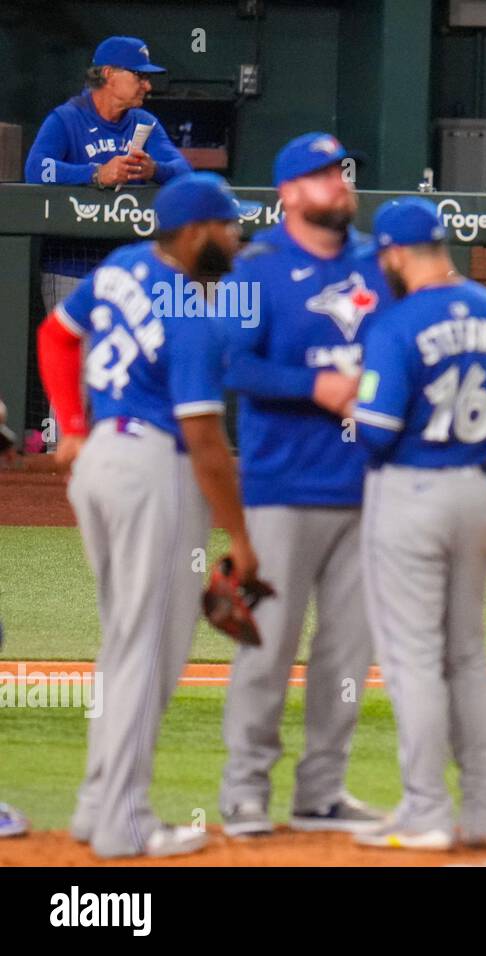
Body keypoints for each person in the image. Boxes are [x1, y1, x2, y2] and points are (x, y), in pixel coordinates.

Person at [36, 172, 259, 858]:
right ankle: (123, 822)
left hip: (102, 462)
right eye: (228, 226)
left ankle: (97, 805)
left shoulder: (123, 265)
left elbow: (53, 335)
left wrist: (71, 423)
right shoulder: (191, 311)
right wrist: (243, 538)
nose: (238, 236)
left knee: (124, 642)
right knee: (149, 651)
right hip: (150, 473)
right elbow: (205, 443)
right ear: (195, 233)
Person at [218, 133, 389, 836]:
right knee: (265, 646)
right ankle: (243, 791)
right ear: (287, 193)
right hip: (281, 485)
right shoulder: (252, 269)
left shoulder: (379, 261)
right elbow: (230, 364)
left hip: (369, 486)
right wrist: (314, 385)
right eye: (320, 177)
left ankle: (321, 790)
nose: (337, 185)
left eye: (339, 174)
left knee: (347, 655)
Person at [351, 198, 486, 850]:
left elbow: (375, 431)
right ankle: (481, 811)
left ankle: (425, 811)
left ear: (394, 253)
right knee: (469, 655)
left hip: (411, 493)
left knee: (414, 660)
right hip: (477, 494)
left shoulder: (397, 324)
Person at [24, 36, 192, 315]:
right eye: (139, 76)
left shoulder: (144, 122)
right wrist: (96, 174)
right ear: (108, 74)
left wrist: (155, 169)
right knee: (78, 356)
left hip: (127, 267)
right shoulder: (67, 117)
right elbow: (36, 169)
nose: (147, 86)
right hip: (72, 264)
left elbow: (184, 173)